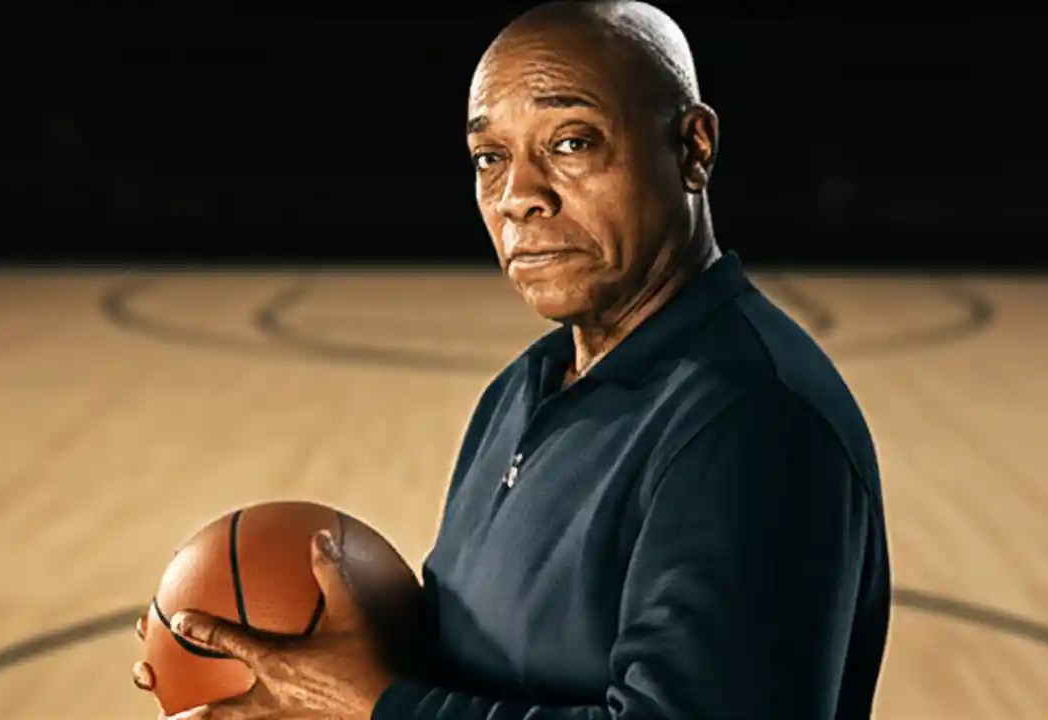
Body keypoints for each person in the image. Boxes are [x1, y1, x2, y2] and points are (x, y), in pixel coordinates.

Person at [133, 2, 891, 717]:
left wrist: (382, 706)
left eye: (570, 143)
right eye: (489, 157)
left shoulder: (751, 418)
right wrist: (241, 657)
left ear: (693, 148)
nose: (518, 195)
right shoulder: (524, 387)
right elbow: (481, 667)